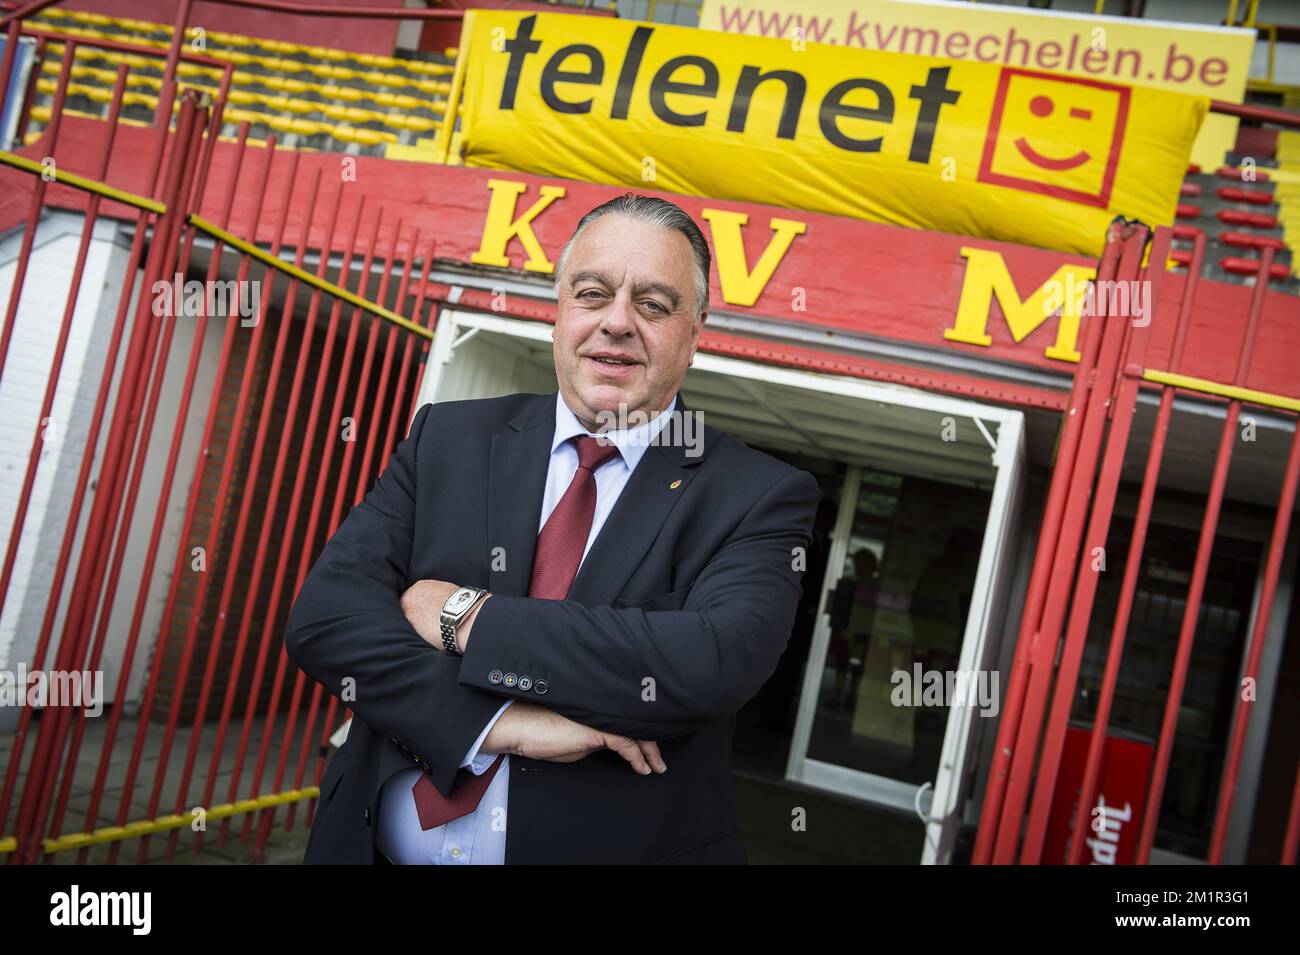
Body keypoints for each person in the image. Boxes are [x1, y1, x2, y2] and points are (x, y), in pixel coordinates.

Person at [284, 192, 820, 864]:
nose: (617, 322)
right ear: (559, 307)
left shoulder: (758, 495)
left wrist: (462, 615)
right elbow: (327, 620)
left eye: (654, 304)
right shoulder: (448, 438)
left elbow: (712, 659)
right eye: (593, 292)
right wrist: (501, 723)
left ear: (697, 328)